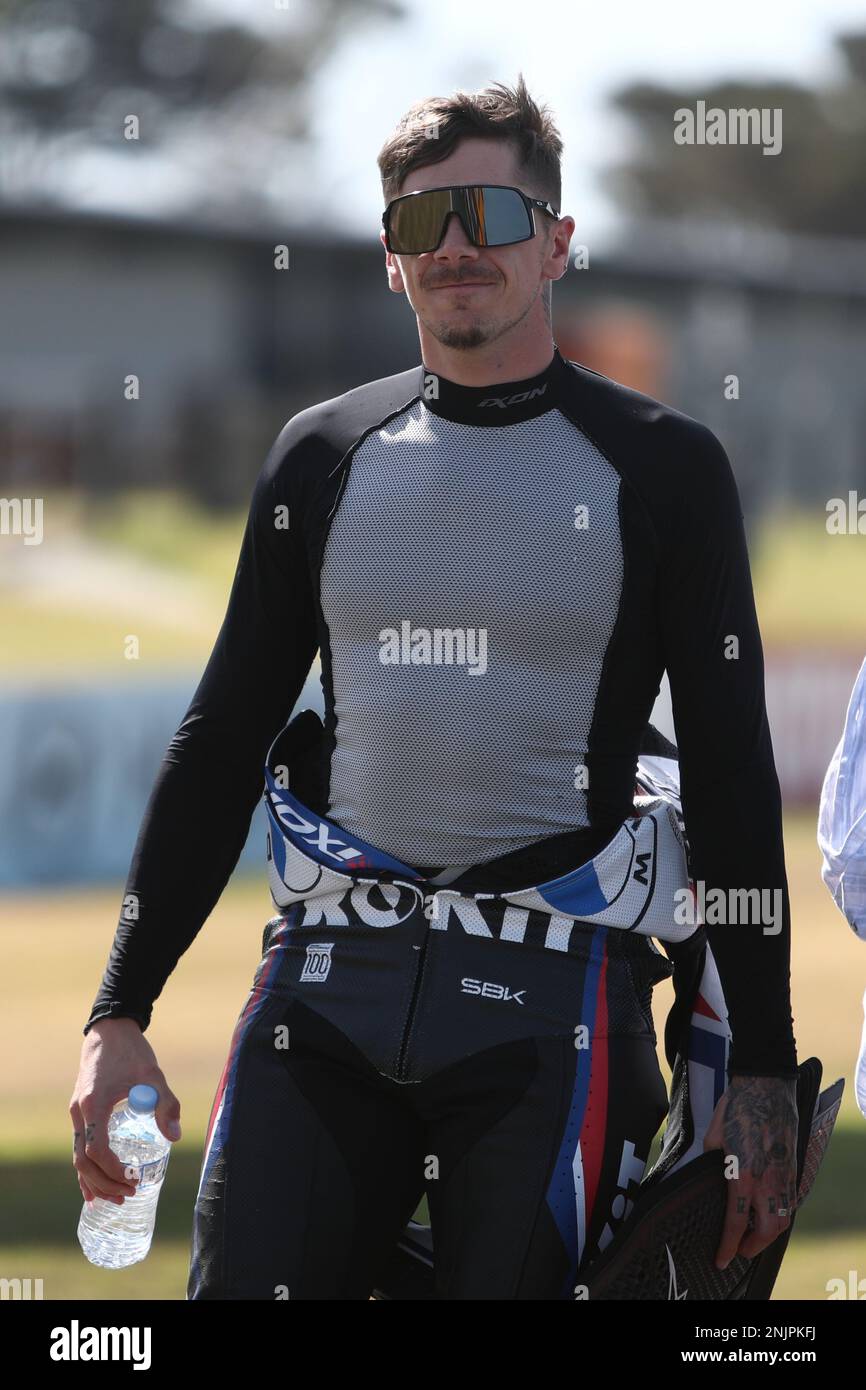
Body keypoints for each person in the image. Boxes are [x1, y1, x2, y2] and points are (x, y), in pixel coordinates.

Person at [71, 75, 799, 1299]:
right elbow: (221, 736)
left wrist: (762, 1065)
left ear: (557, 242)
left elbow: (728, 768)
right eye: (422, 223)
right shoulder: (321, 454)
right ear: (388, 259)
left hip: (555, 1005)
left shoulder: (665, 470)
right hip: (324, 984)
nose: (456, 247)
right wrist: (117, 1011)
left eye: (490, 215)